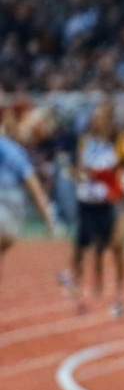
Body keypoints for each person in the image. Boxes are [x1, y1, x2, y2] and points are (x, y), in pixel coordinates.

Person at [70, 104, 124, 316]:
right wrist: (78, 175)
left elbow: (123, 170)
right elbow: (79, 171)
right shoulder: (85, 142)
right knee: (83, 249)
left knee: (116, 248)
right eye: (95, 117)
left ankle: (118, 297)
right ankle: (82, 297)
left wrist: (101, 175)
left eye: (103, 117)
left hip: (111, 203)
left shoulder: (119, 143)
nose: (98, 121)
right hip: (88, 202)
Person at [0, 106, 59, 298]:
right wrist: (48, 218)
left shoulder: (14, 152)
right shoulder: (14, 151)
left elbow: (33, 185)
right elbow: (33, 186)